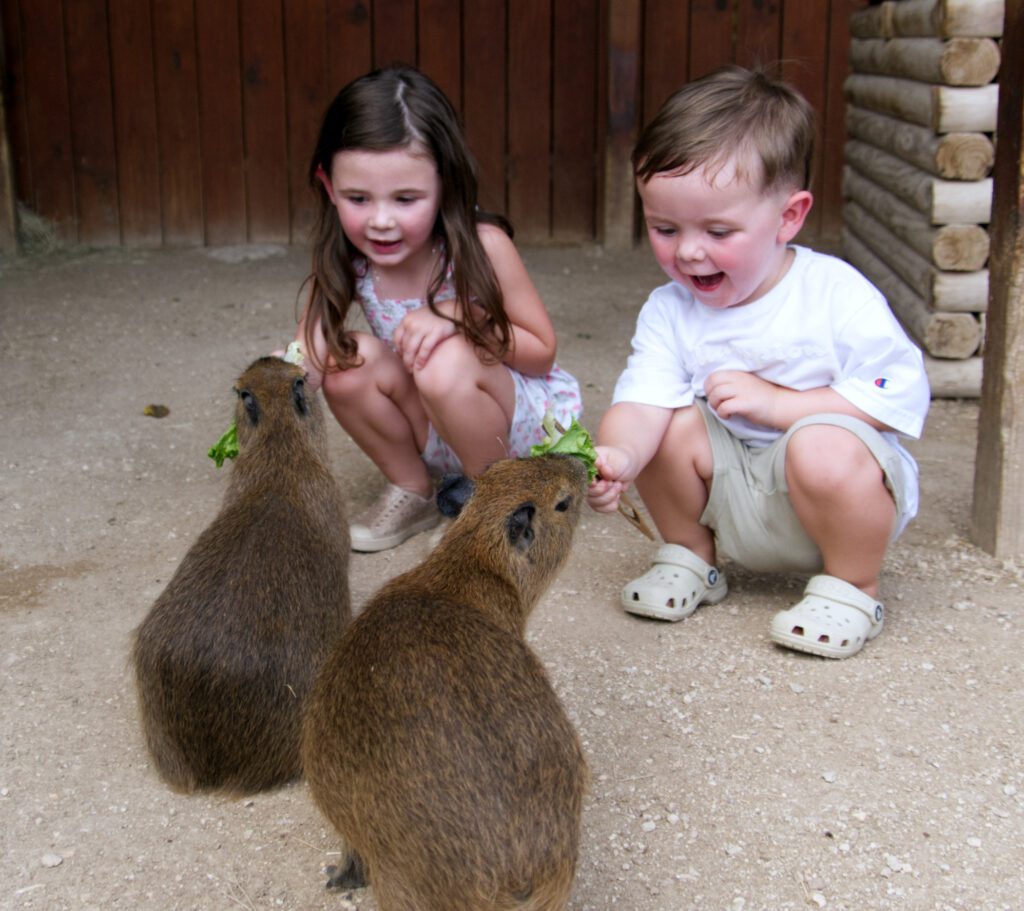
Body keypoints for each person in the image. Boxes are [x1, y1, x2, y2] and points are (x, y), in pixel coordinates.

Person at [588, 66, 931, 659]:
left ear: (789, 217)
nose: (689, 251)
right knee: (668, 423)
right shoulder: (670, 311)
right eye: (664, 228)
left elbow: (896, 392)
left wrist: (783, 406)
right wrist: (617, 455)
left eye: (718, 230)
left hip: (831, 498)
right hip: (732, 497)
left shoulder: (834, 293)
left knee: (821, 442)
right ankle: (691, 555)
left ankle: (854, 586)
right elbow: (641, 401)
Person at [287, 65, 581, 552]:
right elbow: (310, 347)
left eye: (406, 198)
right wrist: (289, 383)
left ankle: (494, 502)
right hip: (435, 419)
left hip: (512, 427)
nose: (381, 221)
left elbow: (542, 353)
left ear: (445, 182)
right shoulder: (346, 256)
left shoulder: (481, 246)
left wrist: (458, 316)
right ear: (327, 184)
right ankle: (416, 490)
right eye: (358, 197)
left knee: (443, 361)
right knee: (344, 357)